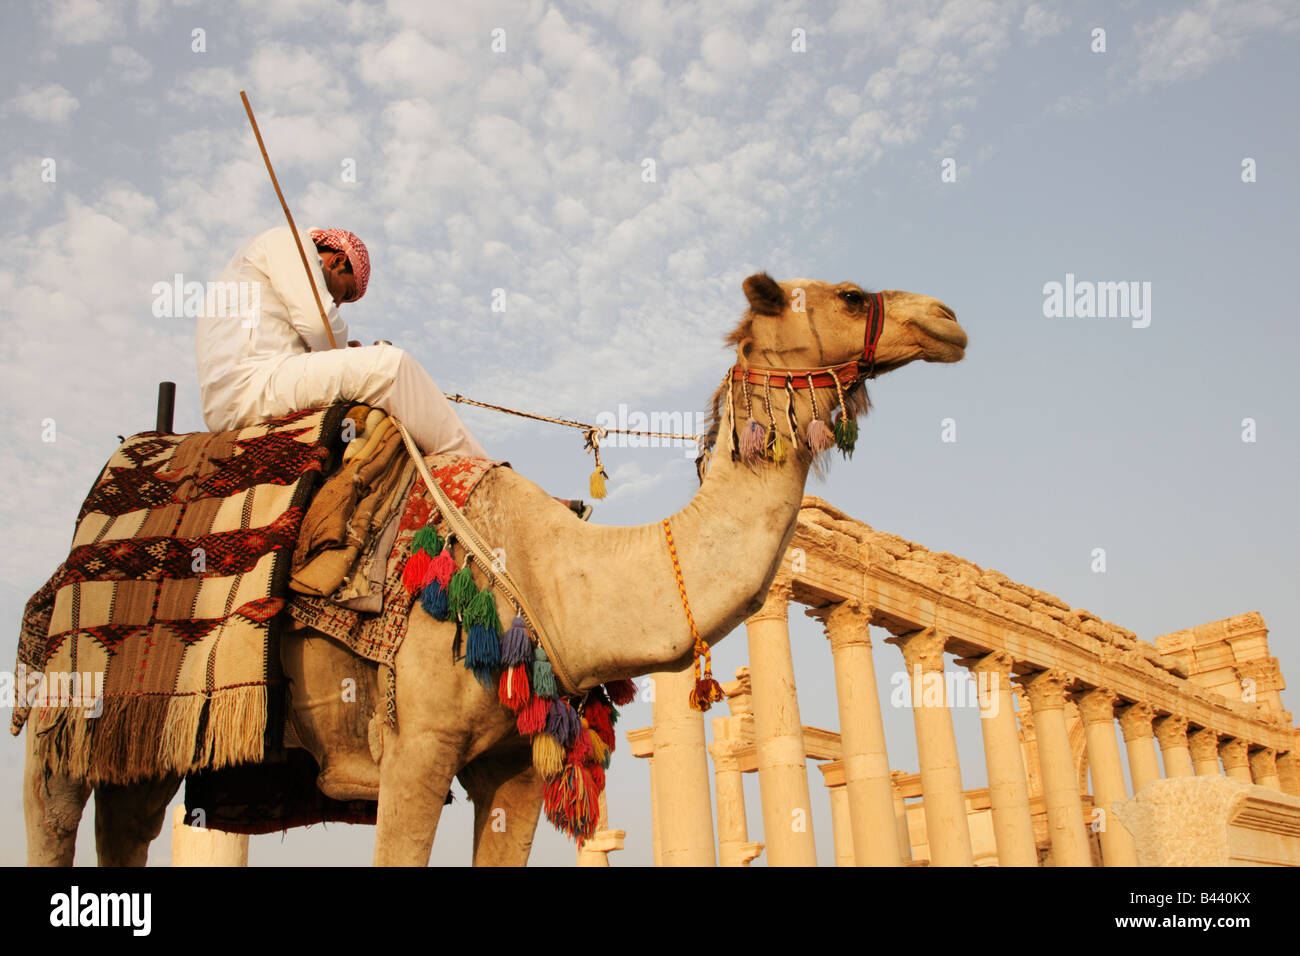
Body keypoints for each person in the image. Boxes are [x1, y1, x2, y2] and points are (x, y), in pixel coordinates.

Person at [195, 225, 487, 458]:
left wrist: (341, 352)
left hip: (250, 386)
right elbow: (318, 324)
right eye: (343, 294)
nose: (337, 302)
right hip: (253, 384)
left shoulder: (264, 262)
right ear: (338, 261)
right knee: (390, 366)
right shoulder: (290, 241)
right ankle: (474, 468)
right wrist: (343, 349)